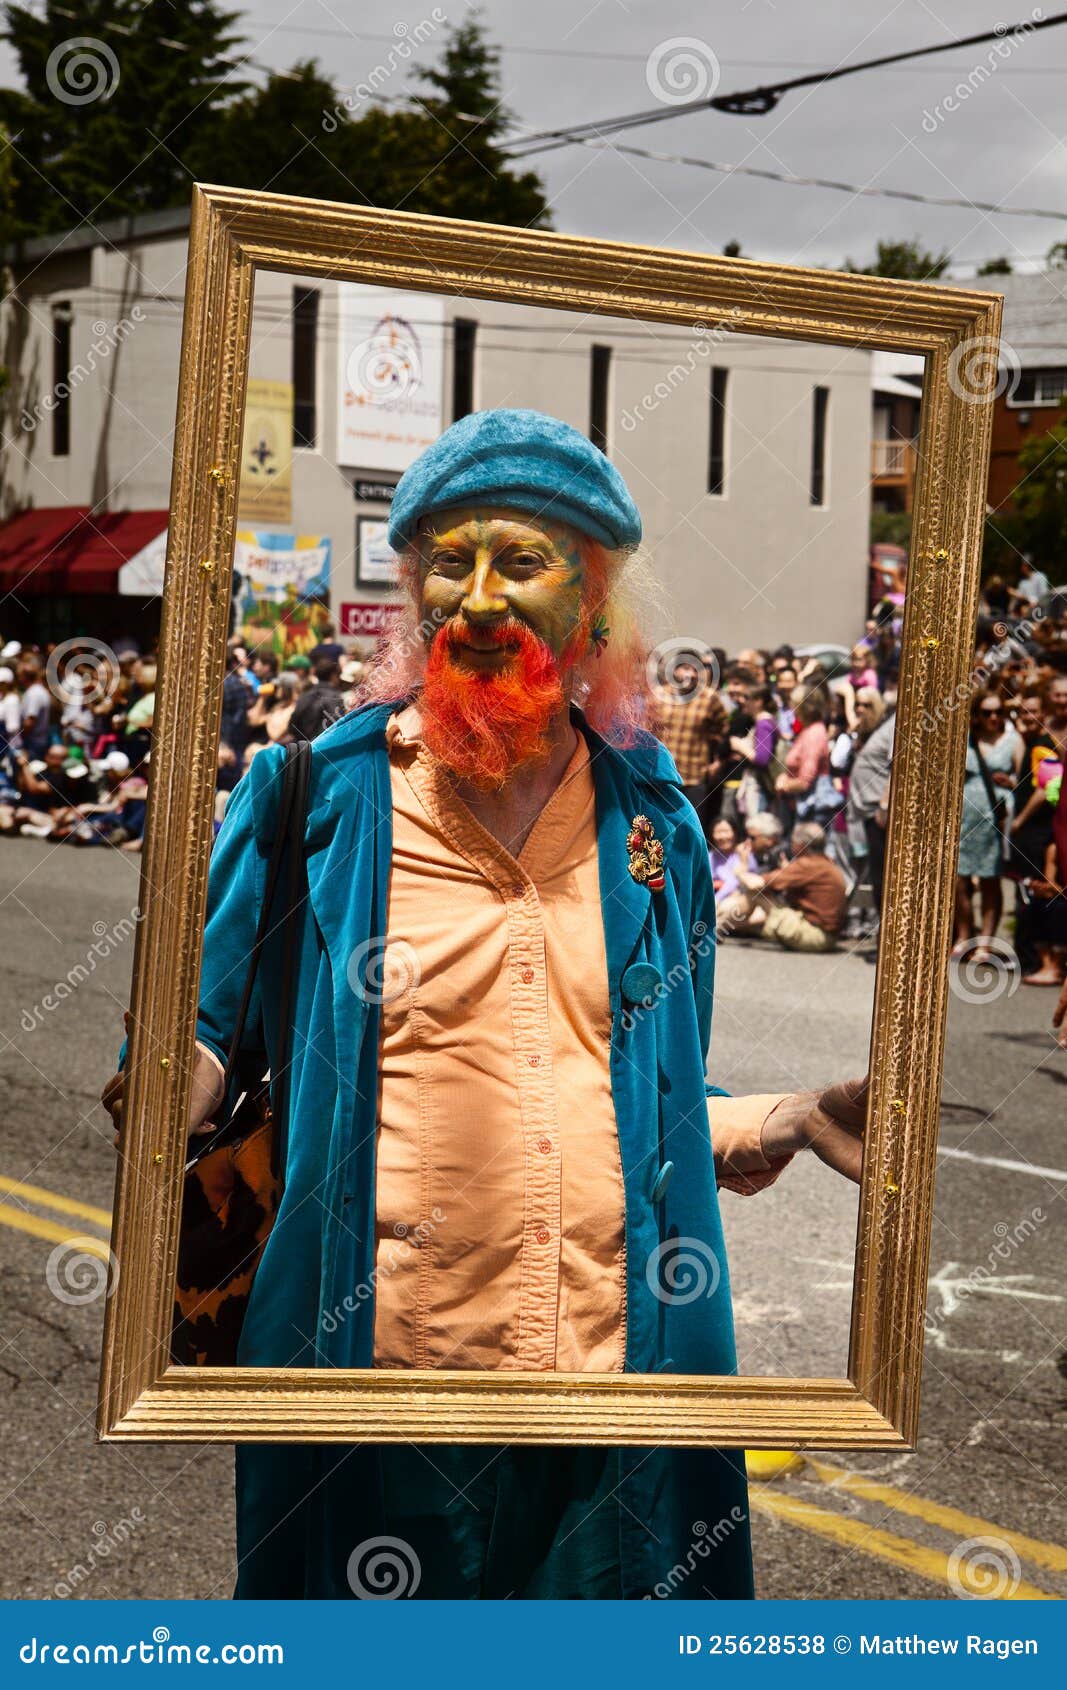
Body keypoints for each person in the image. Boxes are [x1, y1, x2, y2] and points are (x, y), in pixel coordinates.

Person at [104, 407, 866, 1602]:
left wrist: (783, 1121)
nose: (477, 600)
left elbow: (646, 1090)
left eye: (519, 562)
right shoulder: (313, 795)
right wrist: (161, 1078)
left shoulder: (650, 823)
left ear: (594, 597)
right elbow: (204, 1035)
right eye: (447, 563)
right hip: (380, 1391)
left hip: (607, 1399)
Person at [955, 691, 1023, 964]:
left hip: (995, 821)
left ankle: (985, 943)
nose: (993, 718)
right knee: (959, 881)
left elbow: (1026, 781)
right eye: (986, 712)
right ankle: (963, 934)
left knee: (990, 881)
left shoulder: (1013, 740)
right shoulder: (967, 739)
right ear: (977, 715)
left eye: (997, 712)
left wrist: (1012, 784)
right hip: (965, 821)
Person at [726, 821, 848, 952]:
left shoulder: (808, 865)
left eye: (792, 842)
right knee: (753, 923)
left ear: (800, 845)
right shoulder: (826, 862)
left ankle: (717, 928)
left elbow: (755, 883)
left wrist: (741, 868)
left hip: (816, 936)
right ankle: (725, 928)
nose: (791, 846)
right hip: (827, 936)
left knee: (756, 894)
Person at [647, 655, 730, 840]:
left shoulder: (709, 698)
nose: (691, 674)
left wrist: (717, 760)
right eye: (686, 668)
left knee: (692, 831)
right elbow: (647, 732)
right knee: (660, 830)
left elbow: (722, 731)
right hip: (662, 775)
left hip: (695, 776)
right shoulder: (658, 697)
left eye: (695, 669)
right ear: (674, 671)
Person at [287, 657, 347, 743]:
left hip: (305, 749)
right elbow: (338, 730)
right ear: (333, 675)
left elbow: (292, 727)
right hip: (325, 749)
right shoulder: (335, 698)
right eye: (338, 676)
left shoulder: (304, 695)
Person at [17, 661, 53, 758]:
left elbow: (30, 721)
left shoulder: (34, 693)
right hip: (37, 741)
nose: (18, 679)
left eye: (19, 676)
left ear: (25, 677)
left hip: (33, 743)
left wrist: (20, 737)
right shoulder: (37, 691)